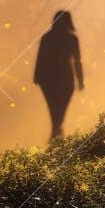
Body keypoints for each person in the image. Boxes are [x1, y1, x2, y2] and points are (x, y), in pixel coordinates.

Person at [34, 10, 84, 141]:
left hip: (48, 80)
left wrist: (37, 76)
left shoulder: (47, 37)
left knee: (54, 112)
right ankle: (56, 139)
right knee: (59, 113)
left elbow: (41, 59)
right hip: (66, 79)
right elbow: (77, 61)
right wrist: (80, 80)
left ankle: (55, 140)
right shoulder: (72, 38)